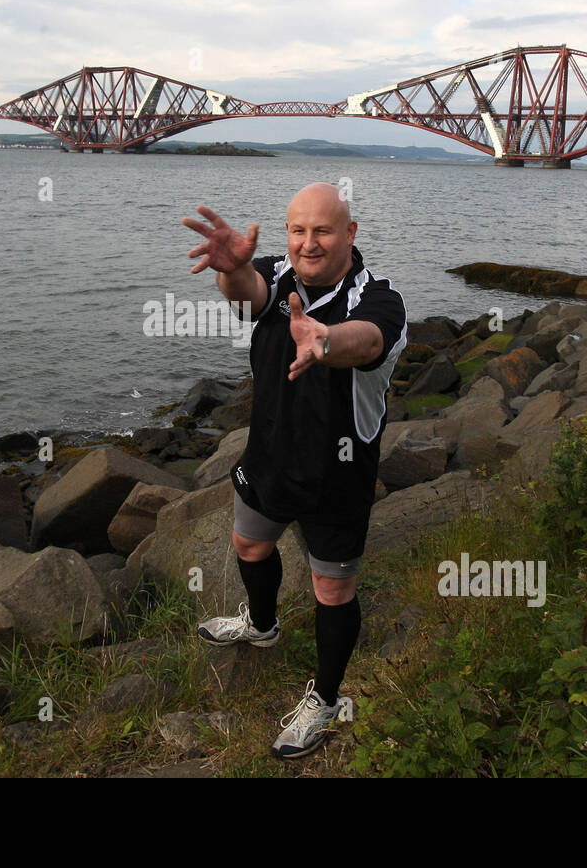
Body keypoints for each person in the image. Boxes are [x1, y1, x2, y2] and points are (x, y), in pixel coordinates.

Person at [182, 182, 407, 758]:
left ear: (350, 234)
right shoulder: (277, 275)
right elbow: (245, 294)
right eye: (297, 230)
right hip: (268, 457)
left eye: (323, 231)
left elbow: (369, 341)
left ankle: (326, 699)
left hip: (339, 475)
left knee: (332, 589)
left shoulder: (380, 299)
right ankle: (261, 624)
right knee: (248, 546)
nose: (308, 244)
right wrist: (229, 270)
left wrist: (325, 339)